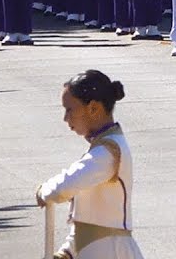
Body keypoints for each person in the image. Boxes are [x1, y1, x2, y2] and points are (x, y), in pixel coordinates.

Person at [37, 70, 144, 259]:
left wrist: (44, 191)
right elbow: (91, 220)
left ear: (93, 108)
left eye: (70, 109)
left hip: (111, 251)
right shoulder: (103, 147)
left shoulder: (108, 152)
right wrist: (69, 251)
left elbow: (64, 187)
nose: (66, 118)